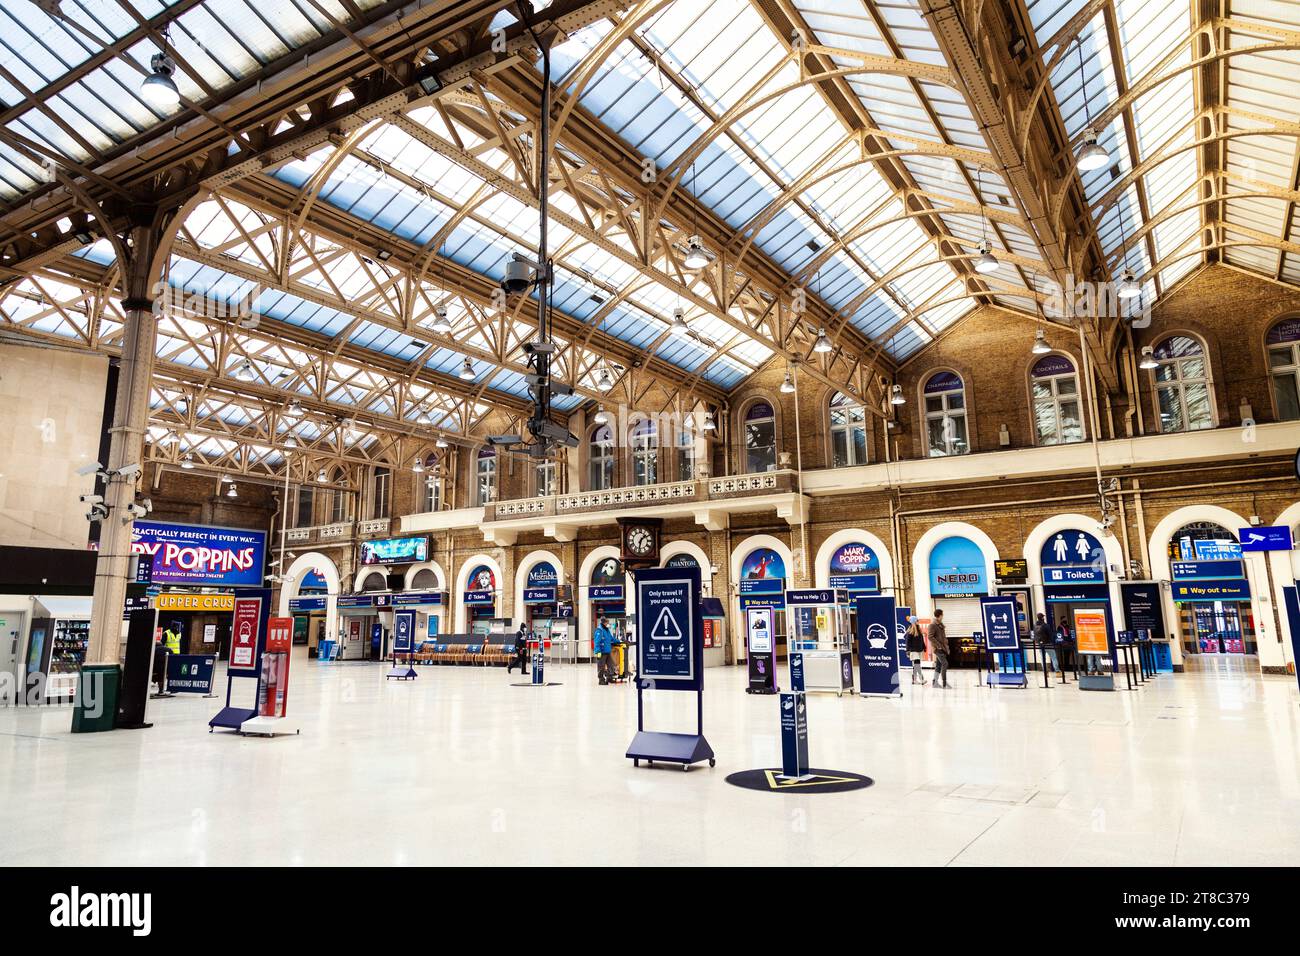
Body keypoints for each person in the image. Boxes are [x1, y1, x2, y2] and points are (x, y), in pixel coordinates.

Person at [927, 609, 950, 689]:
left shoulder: (940, 624)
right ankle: (944, 683)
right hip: (937, 649)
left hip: (943, 648)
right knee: (945, 663)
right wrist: (938, 645)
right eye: (942, 615)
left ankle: (935, 682)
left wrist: (945, 646)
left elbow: (943, 637)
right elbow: (930, 636)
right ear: (940, 615)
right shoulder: (933, 625)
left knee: (938, 665)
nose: (943, 616)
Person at [905, 616, 927, 685]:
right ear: (914, 621)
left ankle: (914, 679)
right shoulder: (911, 631)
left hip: (919, 650)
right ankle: (921, 679)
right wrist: (908, 650)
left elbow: (922, 640)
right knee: (917, 664)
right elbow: (908, 641)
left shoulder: (919, 630)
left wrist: (924, 647)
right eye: (917, 620)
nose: (918, 622)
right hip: (913, 650)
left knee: (916, 665)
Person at [593, 617, 615, 685]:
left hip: (607, 651)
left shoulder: (607, 630)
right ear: (604, 623)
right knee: (601, 666)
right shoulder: (599, 630)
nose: (608, 624)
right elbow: (597, 642)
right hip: (601, 652)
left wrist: (619, 641)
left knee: (611, 665)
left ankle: (609, 677)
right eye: (607, 622)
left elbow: (611, 639)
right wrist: (597, 651)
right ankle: (601, 680)